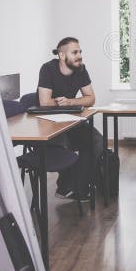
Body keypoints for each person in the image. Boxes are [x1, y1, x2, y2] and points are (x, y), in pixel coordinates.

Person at [38, 36, 104, 201]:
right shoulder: (48, 69)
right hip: (46, 124)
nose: (79, 55)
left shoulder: (80, 69)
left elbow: (91, 98)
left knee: (97, 141)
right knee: (64, 144)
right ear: (61, 55)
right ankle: (67, 187)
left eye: (80, 51)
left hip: (69, 120)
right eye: (74, 52)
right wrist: (63, 103)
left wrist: (70, 101)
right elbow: (44, 103)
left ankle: (78, 187)